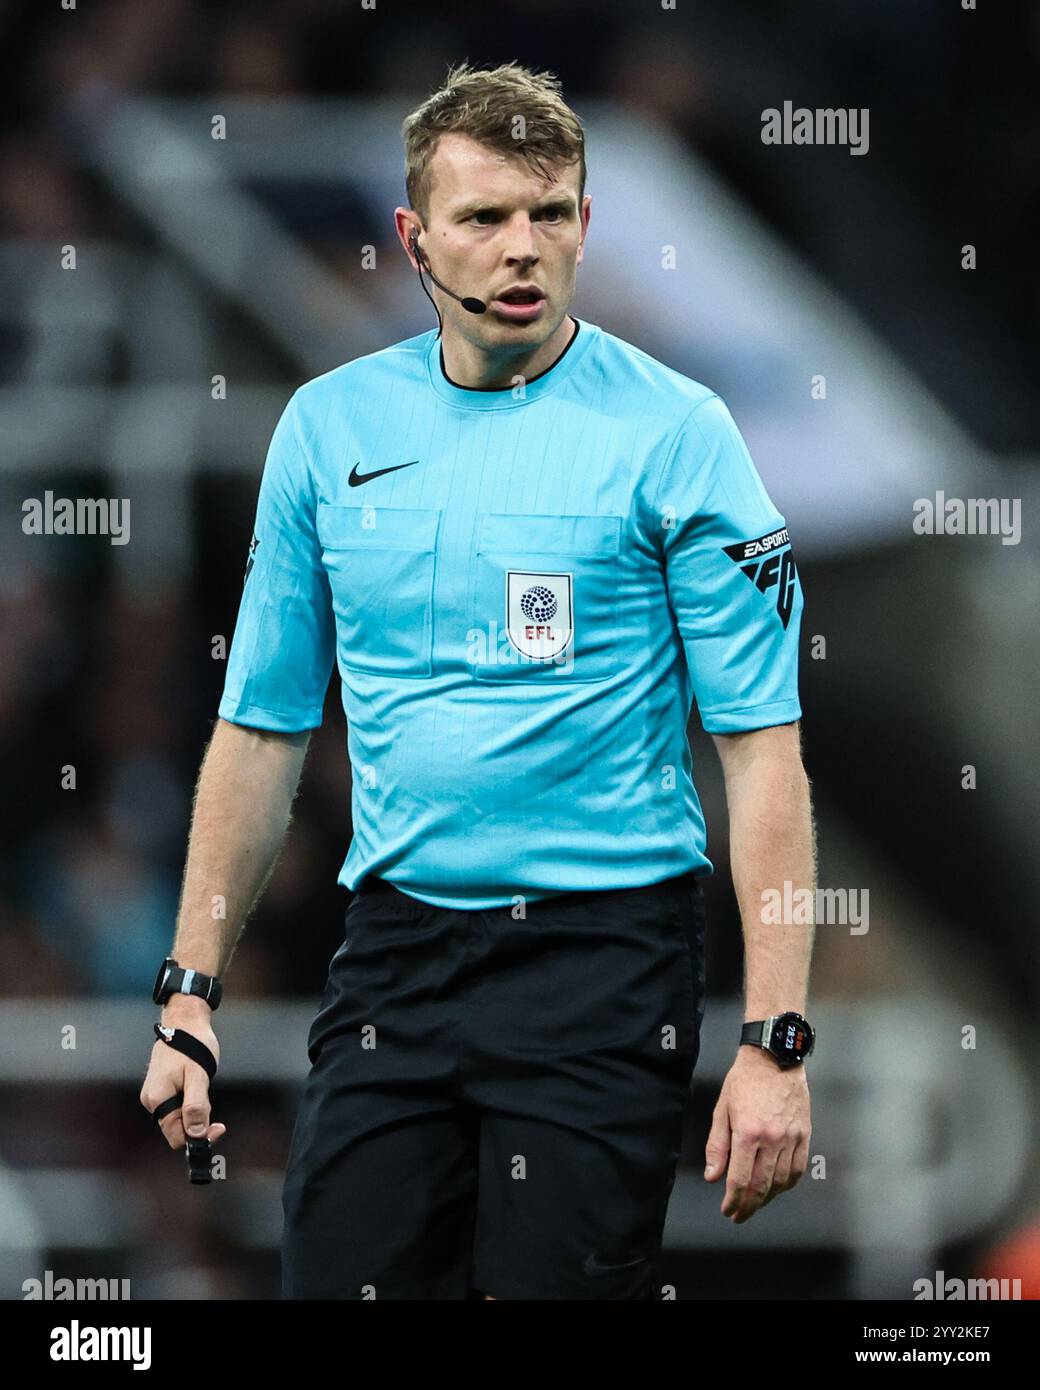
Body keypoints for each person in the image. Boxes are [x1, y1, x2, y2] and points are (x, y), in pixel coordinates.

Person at [140, 60, 816, 1300]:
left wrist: (775, 1040)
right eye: (483, 217)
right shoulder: (327, 429)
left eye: (548, 214)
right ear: (413, 238)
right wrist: (188, 992)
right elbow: (260, 731)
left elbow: (761, 749)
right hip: (395, 949)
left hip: (601, 959)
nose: (521, 249)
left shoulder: (677, 435)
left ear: (584, 225)